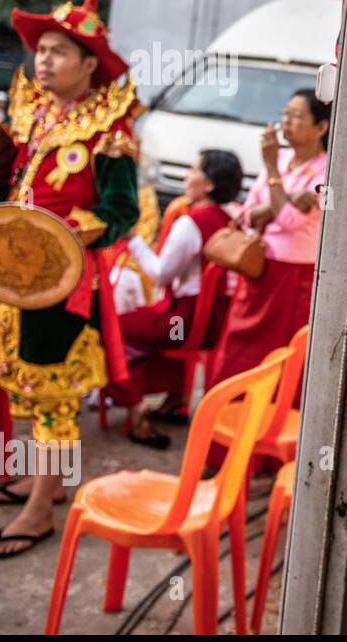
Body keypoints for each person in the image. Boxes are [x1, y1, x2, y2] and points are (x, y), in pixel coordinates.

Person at [0, 0, 141, 559]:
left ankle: (41, 509)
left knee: (54, 397)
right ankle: (45, 479)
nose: (43, 61)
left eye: (57, 52)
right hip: (8, 277)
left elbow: (122, 212)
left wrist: (63, 235)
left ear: (88, 63)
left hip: (63, 286)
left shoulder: (110, 132)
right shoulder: (31, 116)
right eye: (40, 50)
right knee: (21, 382)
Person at [103, 150, 244, 449]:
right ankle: (174, 397)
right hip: (217, 317)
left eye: (193, 170)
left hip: (185, 322)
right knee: (146, 318)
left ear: (208, 184)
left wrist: (132, 239)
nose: (186, 177)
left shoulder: (190, 223)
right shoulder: (230, 217)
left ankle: (135, 405)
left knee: (113, 325)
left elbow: (160, 275)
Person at [206, 89, 327, 389]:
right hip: (259, 267)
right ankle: (223, 427)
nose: (285, 122)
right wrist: (281, 200)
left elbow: (289, 220)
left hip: (293, 276)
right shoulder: (282, 157)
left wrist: (272, 174)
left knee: (278, 359)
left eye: (296, 116)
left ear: (321, 127)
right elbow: (248, 214)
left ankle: (264, 430)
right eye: (285, 114)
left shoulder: (325, 169)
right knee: (237, 349)